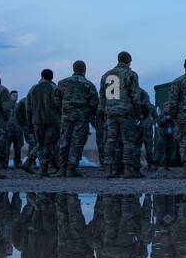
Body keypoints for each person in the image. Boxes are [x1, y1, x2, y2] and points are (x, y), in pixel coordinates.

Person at [99, 50, 145, 178]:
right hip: (126, 112)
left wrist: (104, 110)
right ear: (129, 61)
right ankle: (127, 170)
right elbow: (135, 95)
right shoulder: (130, 74)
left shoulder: (106, 75)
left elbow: (102, 96)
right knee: (128, 141)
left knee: (110, 140)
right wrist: (138, 112)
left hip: (110, 112)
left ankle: (108, 170)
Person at [54, 60, 98, 177]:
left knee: (64, 142)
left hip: (66, 117)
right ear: (84, 70)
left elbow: (56, 99)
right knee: (77, 142)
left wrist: (63, 110)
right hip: (81, 118)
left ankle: (62, 168)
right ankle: (72, 168)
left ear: (73, 69)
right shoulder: (89, 85)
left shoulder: (62, 83)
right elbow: (94, 103)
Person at [26, 69, 61, 177]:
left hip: (37, 120)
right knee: (49, 145)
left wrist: (29, 121)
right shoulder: (55, 88)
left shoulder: (34, 88)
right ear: (52, 77)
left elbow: (28, 106)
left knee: (40, 144)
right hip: (52, 121)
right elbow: (59, 106)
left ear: (42, 76)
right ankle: (43, 168)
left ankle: (28, 163)